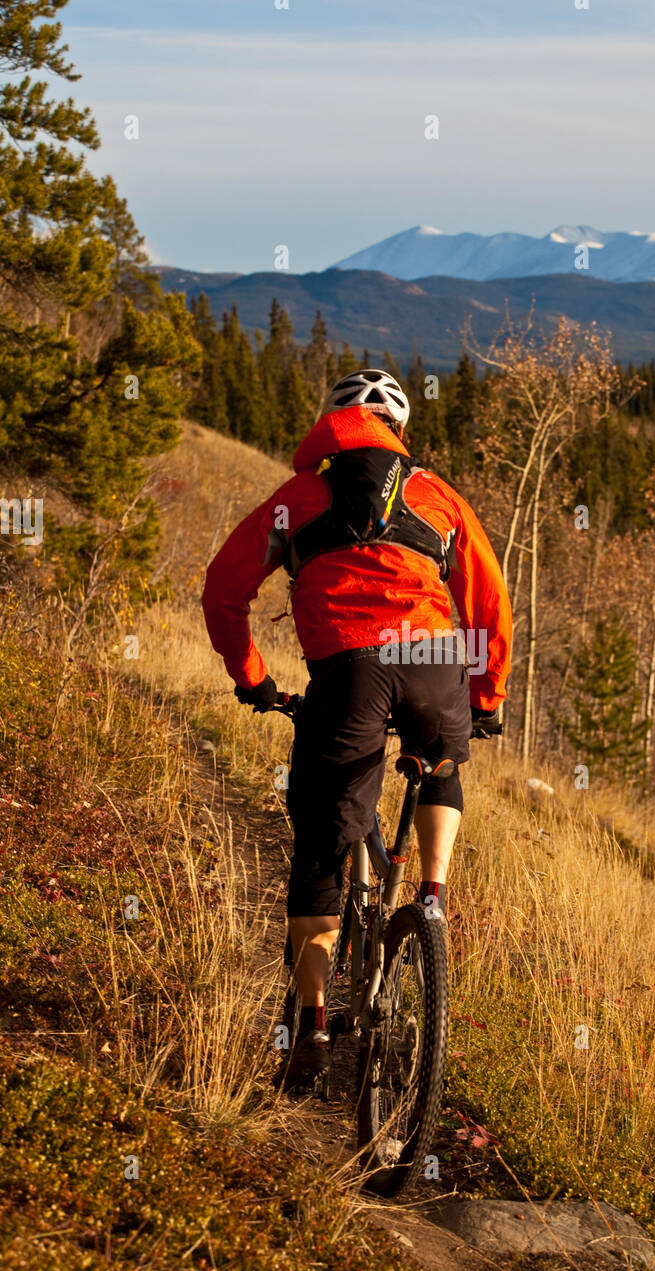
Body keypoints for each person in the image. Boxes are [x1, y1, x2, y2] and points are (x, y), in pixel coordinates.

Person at [202, 368, 512, 1087]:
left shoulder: (297, 500)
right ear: (400, 432)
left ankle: (310, 1029)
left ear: (333, 428)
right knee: (440, 765)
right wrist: (487, 695)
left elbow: (224, 590)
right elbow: (489, 602)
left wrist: (253, 679)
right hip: (434, 665)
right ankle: (431, 902)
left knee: (320, 851)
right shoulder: (437, 495)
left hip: (348, 674)